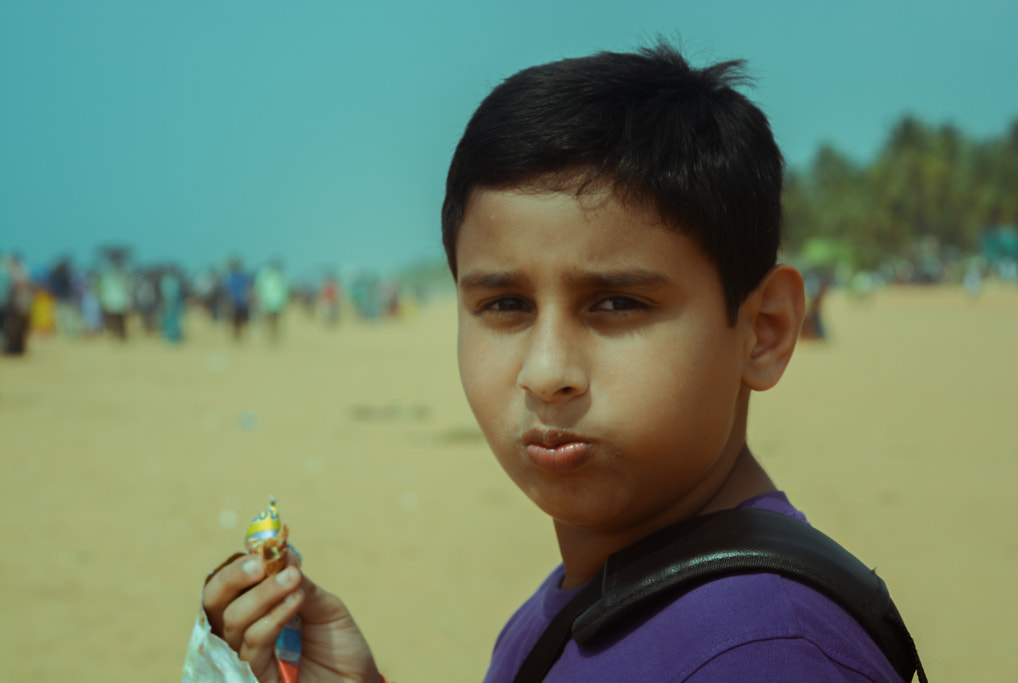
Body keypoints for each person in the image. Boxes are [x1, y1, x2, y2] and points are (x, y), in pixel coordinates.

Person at [191, 44, 919, 682]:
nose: (546, 372)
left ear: (764, 330)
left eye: (617, 304)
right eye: (504, 305)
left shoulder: (763, 652)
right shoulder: (586, 601)